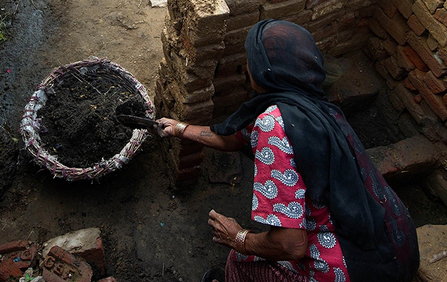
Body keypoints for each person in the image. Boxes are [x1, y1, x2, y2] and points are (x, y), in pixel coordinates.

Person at [155, 19, 420, 282]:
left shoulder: (274, 126)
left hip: (351, 269)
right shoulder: (310, 103)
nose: (246, 66)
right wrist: (178, 128)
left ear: (262, 71)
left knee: (241, 259)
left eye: (250, 60)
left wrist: (238, 238)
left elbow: (292, 245)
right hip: (397, 242)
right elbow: (233, 138)